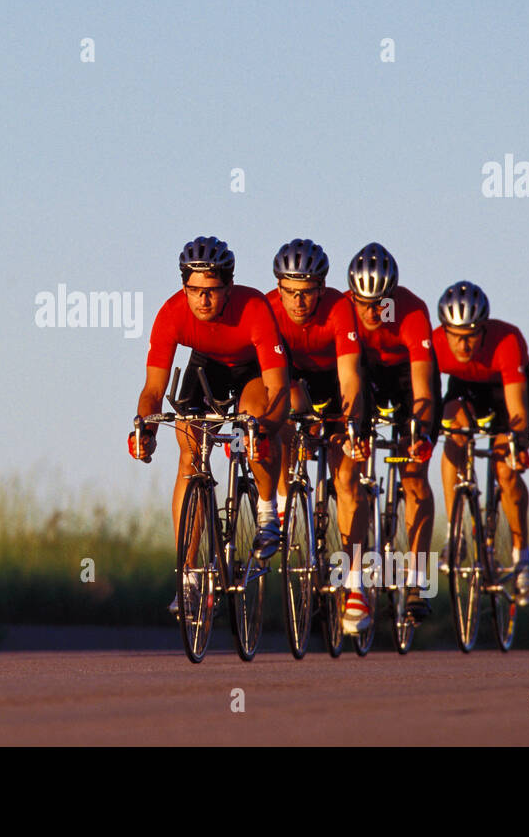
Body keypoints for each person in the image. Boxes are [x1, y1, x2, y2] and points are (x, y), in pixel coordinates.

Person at [130, 236, 289, 616]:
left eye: (212, 291)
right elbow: (154, 389)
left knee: (254, 423)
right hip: (208, 368)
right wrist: (145, 431)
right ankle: (188, 577)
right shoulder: (171, 313)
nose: (203, 300)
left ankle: (267, 513)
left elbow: (278, 388)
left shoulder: (254, 308)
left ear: (229, 287)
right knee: (189, 451)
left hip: (253, 369)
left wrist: (263, 429)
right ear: (184, 286)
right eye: (194, 290)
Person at [264, 239, 369, 633]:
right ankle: (282, 501)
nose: (298, 302)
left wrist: (351, 424)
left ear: (321, 289)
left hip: (334, 385)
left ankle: (356, 583)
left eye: (307, 293)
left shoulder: (340, 308)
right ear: (278, 288)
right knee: (284, 408)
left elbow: (350, 377)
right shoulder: (269, 311)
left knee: (346, 480)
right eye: (290, 292)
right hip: (294, 383)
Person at [345, 242, 440, 621]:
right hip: (364, 375)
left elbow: (422, 384)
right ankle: (351, 576)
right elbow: (347, 376)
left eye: (379, 302)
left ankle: (417, 580)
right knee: (351, 462)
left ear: (392, 295)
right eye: (362, 302)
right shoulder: (343, 310)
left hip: (405, 380)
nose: (370, 311)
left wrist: (421, 434)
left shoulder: (412, 309)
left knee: (414, 475)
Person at [433, 281, 529, 604]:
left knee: (506, 471)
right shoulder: (435, 344)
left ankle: (522, 557)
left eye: (472, 336)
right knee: (454, 433)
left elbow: (517, 409)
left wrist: (517, 445)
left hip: (505, 391)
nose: (463, 345)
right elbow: (424, 395)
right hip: (465, 389)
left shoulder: (506, 340)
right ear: (444, 331)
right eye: (456, 336)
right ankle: (457, 534)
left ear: (484, 330)